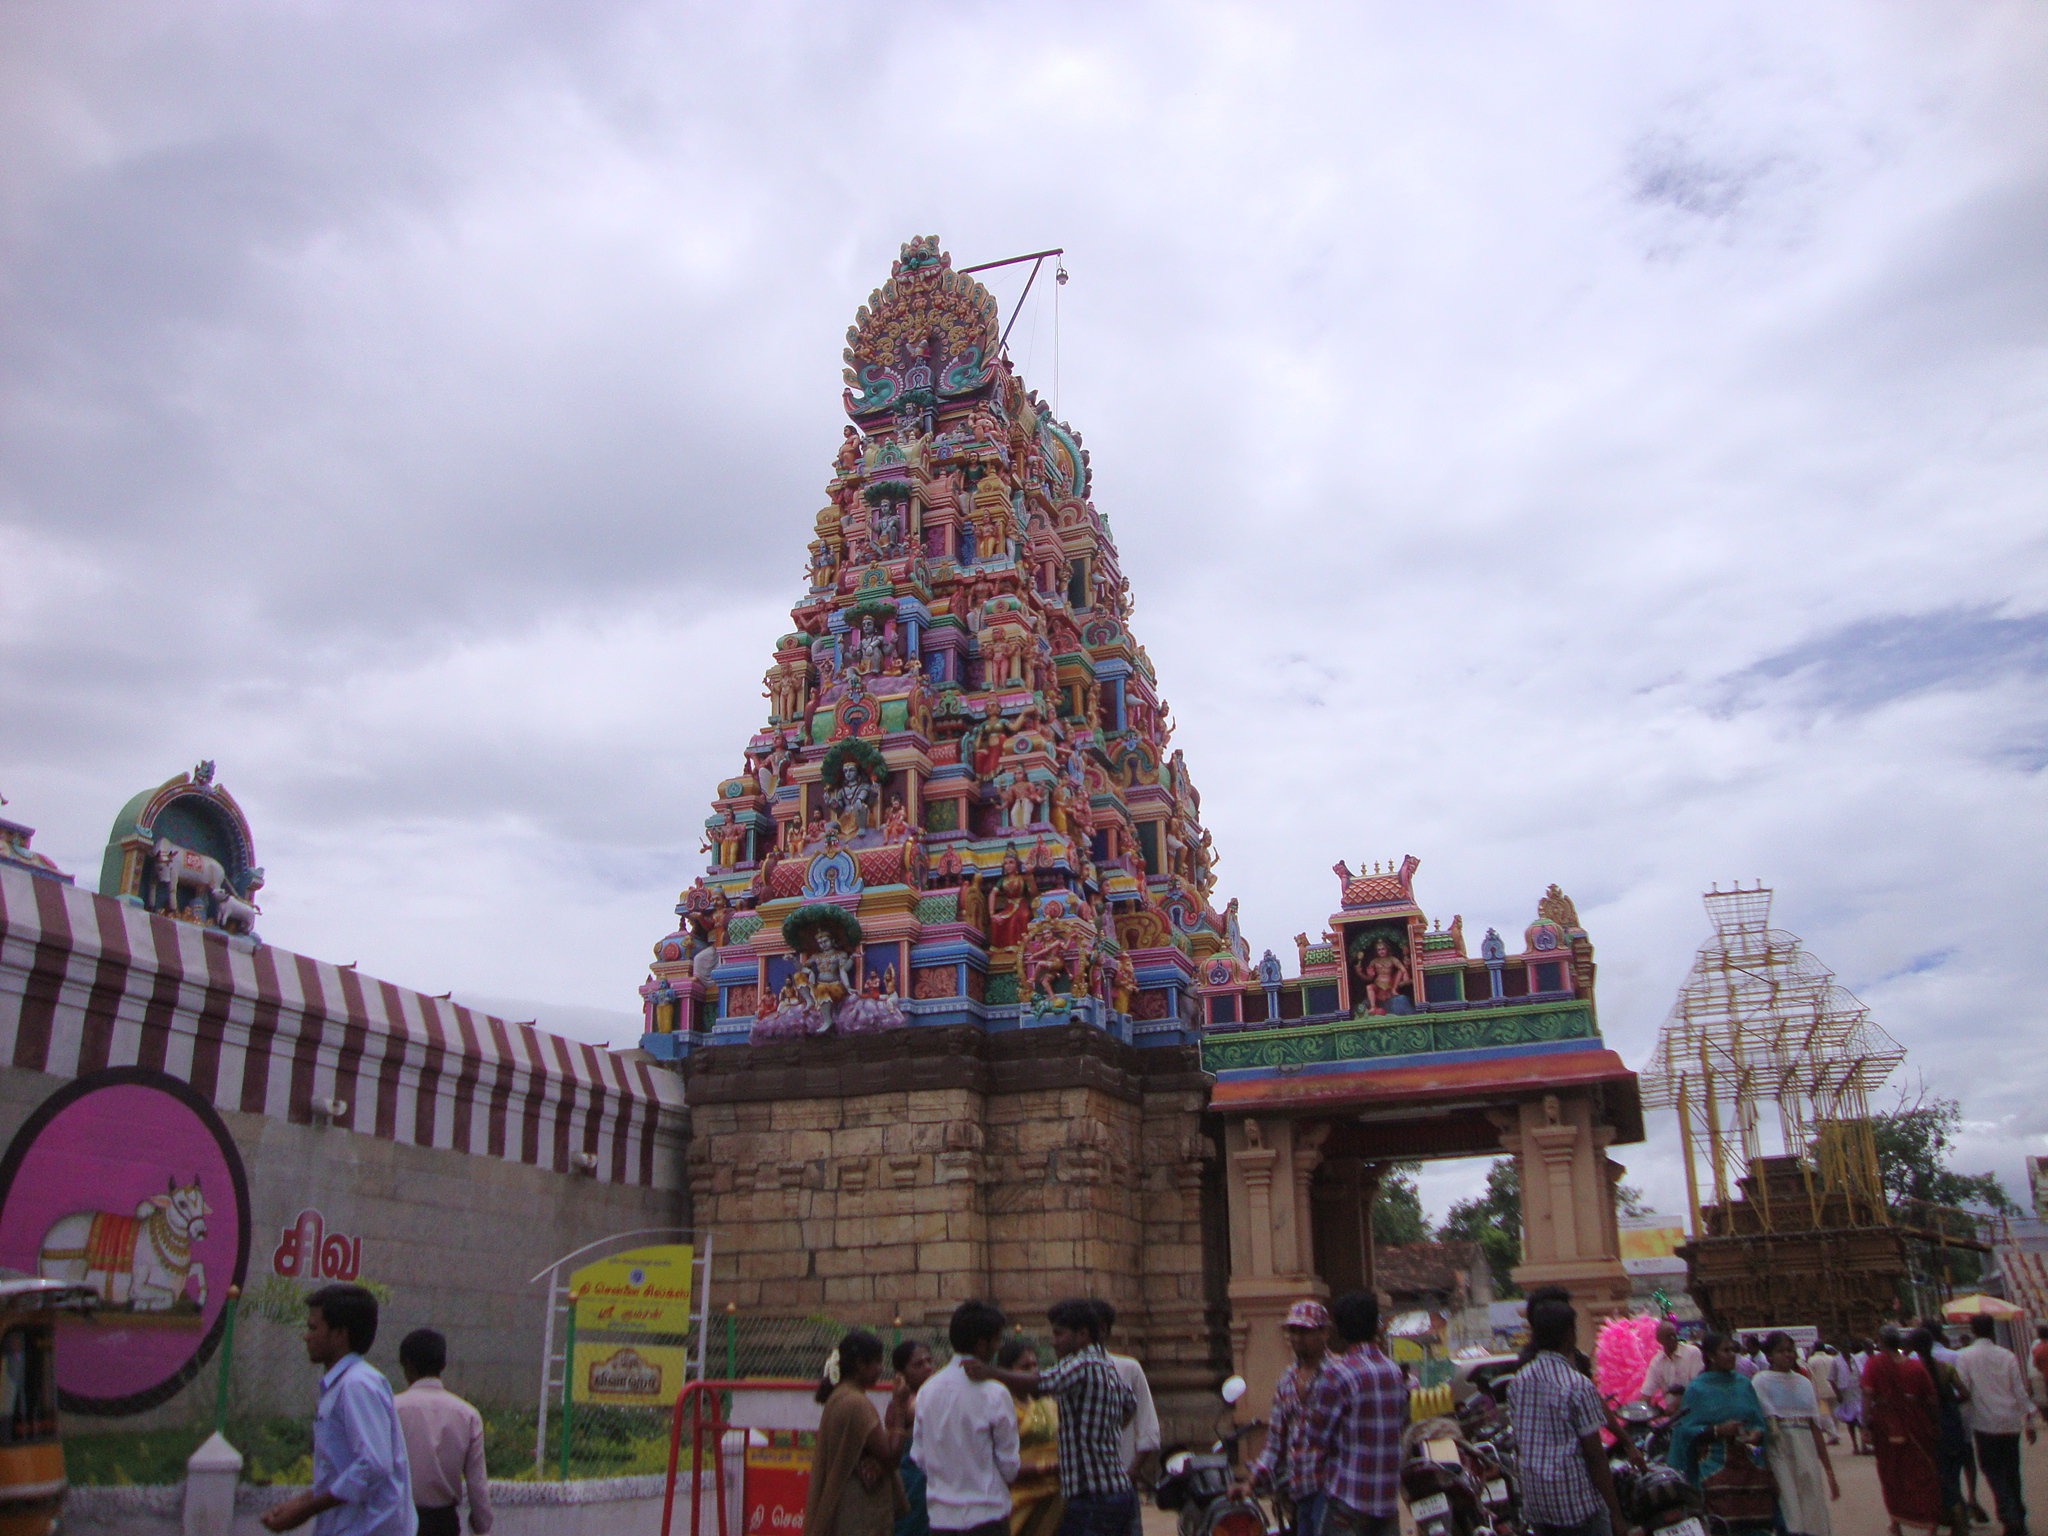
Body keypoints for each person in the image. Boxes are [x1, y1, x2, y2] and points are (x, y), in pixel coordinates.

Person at [260, 1283, 414, 1536]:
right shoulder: (344, 1384)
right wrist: (301, 1503)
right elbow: (344, 1470)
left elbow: (373, 1465)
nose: (305, 1336)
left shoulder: (357, 1385)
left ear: (340, 1334)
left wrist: (307, 1509)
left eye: (313, 1328)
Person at [1505, 1296, 1631, 1536]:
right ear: (1569, 1334)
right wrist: (1615, 1514)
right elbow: (1595, 1455)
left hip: (1537, 1502)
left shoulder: (1518, 1381)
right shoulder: (1576, 1384)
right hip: (1575, 1505)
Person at [913, 1302, 1020, 1536]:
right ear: (981, 1345)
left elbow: (919, 1456)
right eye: (996, 1340)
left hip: (941, 1520)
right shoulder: (994, 1392)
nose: (998, 1347)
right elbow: (1009, 1465)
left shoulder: (927, 1391)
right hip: (987, 1516)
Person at [1032, 1299, 1137, 1536]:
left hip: (1092, 1497)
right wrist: (1106, 1433)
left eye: (1059, 1334)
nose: (1054, 1342)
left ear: (1082, 1334)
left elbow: (1042, 1384)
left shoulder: (1082, 1364)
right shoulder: (1105, 1365)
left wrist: (991, 1374)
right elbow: (1130, 1404)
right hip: (1115, 1492)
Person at [1309, 1290, 1406, 1536]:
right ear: (1376, 1326)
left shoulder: (1338, 1373)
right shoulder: (1393, 1372)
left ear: (1338, 1330)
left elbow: (1316, 1437)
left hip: (1348, 1503)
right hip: (1386, 1502)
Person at [1239, 1300, 1332, 1536]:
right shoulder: (1287, 1381)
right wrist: (1251, 1482)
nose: (1298, 1338)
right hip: (1299, 1490)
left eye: (1305, 1331)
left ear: (1324, 1332)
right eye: (1293, 1331)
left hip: (1332, 1490)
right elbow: (1275, 1444)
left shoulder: (1338, 1374)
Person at [803, 1330, 908, 1536]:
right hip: (857, 1512)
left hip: (844, 1507)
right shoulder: (855, 1403)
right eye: (877, 1362)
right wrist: (900, 1409)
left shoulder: (840, 1396)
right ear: (860, 1364)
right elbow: (890, 1457)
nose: (881, 1369)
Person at [393, 1329, 490, 1536]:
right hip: (443, 1523)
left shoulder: (391, 1409)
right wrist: (481, 1525)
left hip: (397, 1519)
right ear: (443, 1365)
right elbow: (477, 1483)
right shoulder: (467, 1414)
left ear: (407, 1364)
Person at [1954, 1313, 2038, 1536]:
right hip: (2010, 1422)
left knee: (1992, 1470)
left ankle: (2010, 1515)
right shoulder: (2007, 1356)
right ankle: (2018, 1516)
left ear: (1972, 1331)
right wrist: (2029, 1419)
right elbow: (2019, 1391)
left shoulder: (1964, 1356)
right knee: (2012, 1471)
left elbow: (1962, 1388)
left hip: (1985, 1423)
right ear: (1992, 1330)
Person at [1755, 1332, 1839, 1536]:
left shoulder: (1804, 1384)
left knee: (1812, 1501)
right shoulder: (1761, 1382)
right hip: (1780, 1451)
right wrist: (1766, 1470)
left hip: (1805, 1449)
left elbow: (1814, 1427)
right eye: (1781, 1351)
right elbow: (1763, 1427)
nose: (1787, 1355)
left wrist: (1829, 1471)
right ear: (1769, 1355)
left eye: (1790, 1350)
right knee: (1788, 1503)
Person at [1863, 1326, 1943, 1535]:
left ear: (1880, 1342)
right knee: (1923, 1471)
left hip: (1886, 1424)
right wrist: (1934, 1423)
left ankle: (1896, 1522)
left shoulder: (1874, 1364)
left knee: (1891, 1474)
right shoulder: (1915, 1366)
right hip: (1915, 1423)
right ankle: (1930, 1523)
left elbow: (1868, 1394)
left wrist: (1864, 1423)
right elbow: (1931, 1398)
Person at [1666, 1332, 1766, 1489]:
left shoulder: (1744, 1384)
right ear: (1711, 1356)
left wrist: (1757, 1433)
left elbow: (1758, 1421)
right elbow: (1684, 1431)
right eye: (1726, 1351)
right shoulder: (1697, 1389)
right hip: (1713, 1472)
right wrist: (1718, 1430)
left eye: (1734, 1350)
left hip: (1751, 1470)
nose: (1732, 1355)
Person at [1090, 1301, 1159, 1518]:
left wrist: (1131, 1473)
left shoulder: (1128, 1370)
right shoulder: (1065, 1373)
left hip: (1119, 1485)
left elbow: (1148, 1430)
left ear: (1104, 1330)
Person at [1905, 1326, 1971, 1536]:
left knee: (1938, 1476)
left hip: (1929, 1429)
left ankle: (1954, 1517)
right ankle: (1957, 1515)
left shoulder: (1914, 1370)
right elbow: (1964, 1393)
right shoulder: (1945, 1368)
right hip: (1952, 1425)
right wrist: (1950, 1404)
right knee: (1952, 1473)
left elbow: (1913, 1400)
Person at [996, 1342, 1061, 1536]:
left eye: (1035, 1365)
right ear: (1006, 1372)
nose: (1033, 1372)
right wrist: (1050, 1467)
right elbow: (998, 1465)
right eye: (1025, 1367)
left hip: (1053, 1500)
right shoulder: (1001, 1407)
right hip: (1017, 1504)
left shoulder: (1048, 1404)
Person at [892, 1340, 940, 1536]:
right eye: (918, 1364)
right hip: (912, 1483)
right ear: (902, 1374)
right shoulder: (906, 1405)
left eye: (929, 1361)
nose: (928, 1368)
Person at [1641, 1321, 1704, 1415]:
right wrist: (1637, 1412)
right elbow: (1646, 1392)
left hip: (1696, 1411)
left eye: (1674, 1335)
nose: (1673, 1339)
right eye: (1668, 1336)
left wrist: (1675, 1405)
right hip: (1673, 1417)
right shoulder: (1657, 1362)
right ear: (1659, 1340)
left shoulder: (1692, 1352)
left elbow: (1696, 1387)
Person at [1833, 1341, 1868, 1456]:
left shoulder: (1856, 1359)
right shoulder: (1836, 1362)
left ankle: (1863, 1445)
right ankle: (1855, 1446)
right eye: (1844, 1348)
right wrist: (1838, 1394)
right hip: (1846, 1394)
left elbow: (1862, 1373)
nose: (1847, 1351)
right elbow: (1831, 1378)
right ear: (1841, 1349)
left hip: (1858, 1392)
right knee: (1851, 1421)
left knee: (1862, 1420)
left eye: (1848, 1348)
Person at [1806, 1344, 1841, 1445]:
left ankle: (1833, 1435)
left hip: (1820, 1391)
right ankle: (1834, 1434)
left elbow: (1810, 1376)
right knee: (1835, 1412)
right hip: (1834, 1389)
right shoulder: (1832, 1358)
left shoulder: (1812, 1360)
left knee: (1824, 1414)